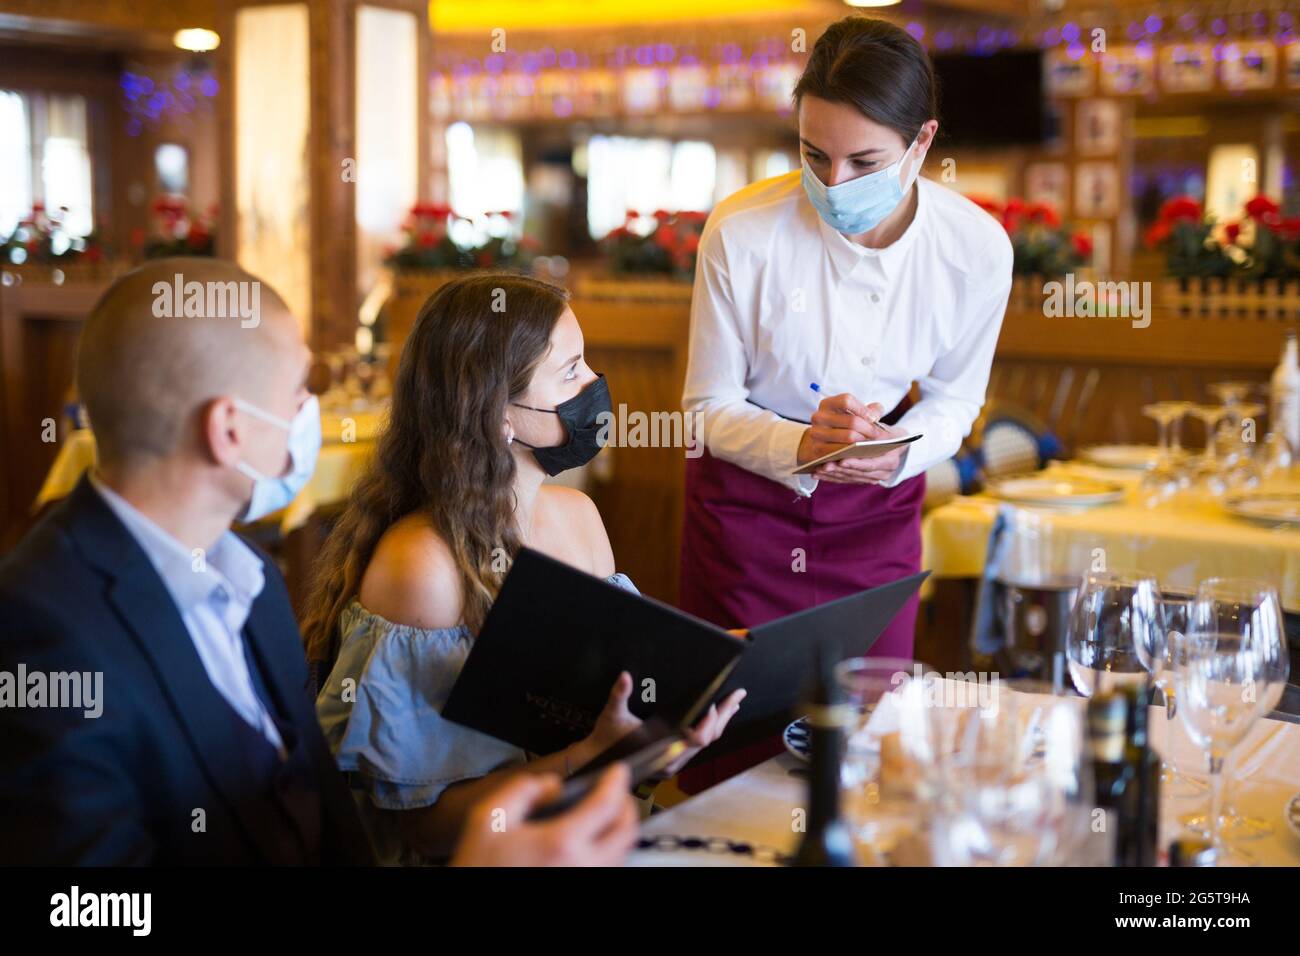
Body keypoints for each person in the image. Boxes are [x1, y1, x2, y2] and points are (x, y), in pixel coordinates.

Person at [0, 259, 636, 866]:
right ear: (228, 430)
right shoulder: (42, 630)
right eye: (300, 391)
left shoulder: (246, 574)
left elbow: (325, 828)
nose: (314, 413)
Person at [304, 274, 744, 863]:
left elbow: (619, 720)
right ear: (497, 415)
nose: (595, 388)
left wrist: (671, 730)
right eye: (570, 373)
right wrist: (591, 752)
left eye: (586, 362)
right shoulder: (424, 567)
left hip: (592, 836)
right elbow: (429, 832)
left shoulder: (580, 517)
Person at [677, 17, 1013, 790]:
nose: (833, 183)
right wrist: (797, 445)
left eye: (865, 162)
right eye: (812, 155)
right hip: (745, 516)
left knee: (866, 747)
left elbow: (958, 401)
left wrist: (899, 451)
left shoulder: (976, 250)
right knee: (733, 754)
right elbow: (704, 409)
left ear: (922, 143)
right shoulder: (743, 232)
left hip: (878, 514)